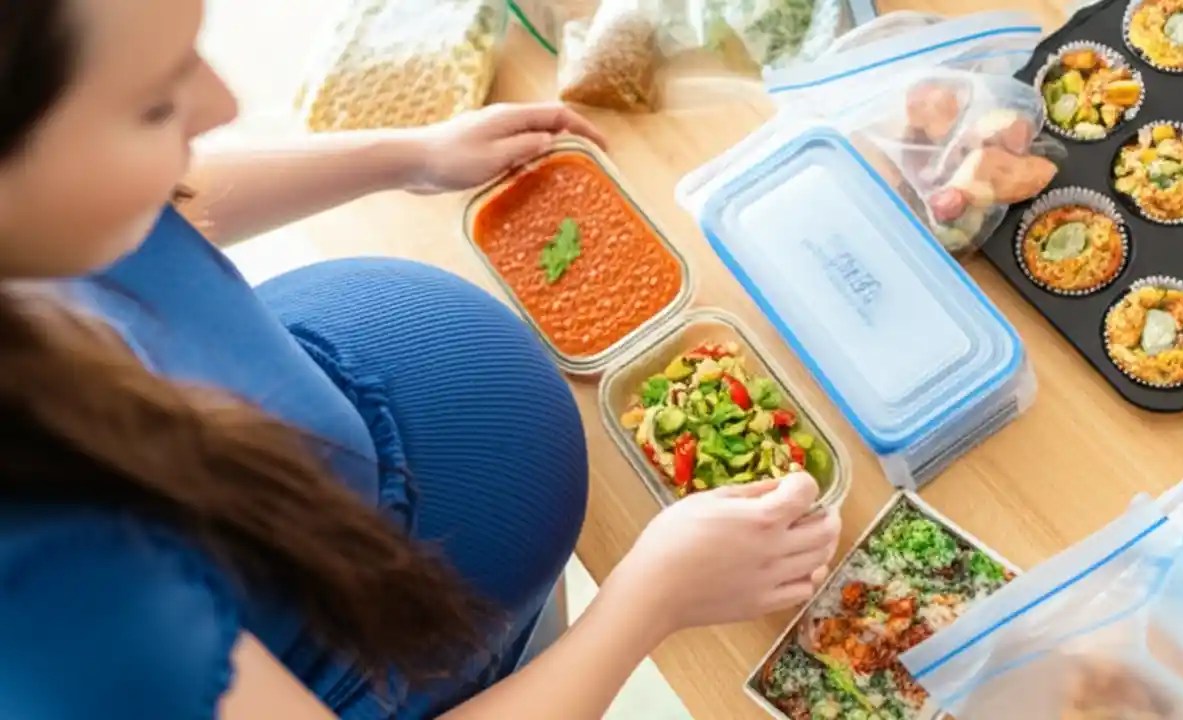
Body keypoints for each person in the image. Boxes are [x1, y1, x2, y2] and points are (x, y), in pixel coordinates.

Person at [0, 1, 842, 718]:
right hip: (411, 652)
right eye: (154, 104)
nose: (223, 104)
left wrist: (408, 156)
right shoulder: (71, 600)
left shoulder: (44, 210)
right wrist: (650, 599)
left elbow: (158, 197)